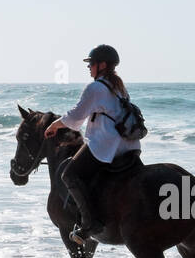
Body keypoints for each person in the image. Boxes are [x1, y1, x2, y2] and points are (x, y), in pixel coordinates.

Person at [43, 44, 141, 245]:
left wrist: (55, 125)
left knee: (68, 174)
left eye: (91, 64)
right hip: (129, 146)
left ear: (102, 65)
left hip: (105, 145)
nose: (89, 68)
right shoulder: (119, 88)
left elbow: (76, 117)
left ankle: (89, 223)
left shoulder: (96, 87)